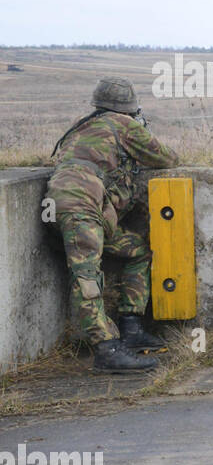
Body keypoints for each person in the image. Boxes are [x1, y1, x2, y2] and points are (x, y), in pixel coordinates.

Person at [45, 77, 180, 373]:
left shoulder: (80, 127)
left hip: (64, 204)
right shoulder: (122, 124)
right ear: (129, 107)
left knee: (137, 252)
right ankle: (106, 349)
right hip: (80, 206)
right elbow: (166, 157)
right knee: (87, 276)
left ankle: (130, 328)